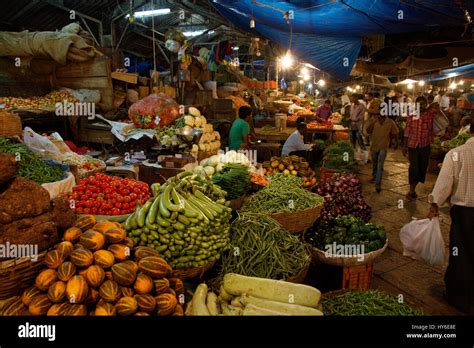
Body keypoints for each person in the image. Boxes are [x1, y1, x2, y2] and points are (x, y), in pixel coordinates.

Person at [428, 118, 474, 314]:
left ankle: (460, 298)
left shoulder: (457, 154)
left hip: (465, 214)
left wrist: (434, 205)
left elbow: (444, 183)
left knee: (460, 253)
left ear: (469, 130)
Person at [402, 96, 436, 200]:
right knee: (414, 168)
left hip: (425, 145)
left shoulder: (430, 115)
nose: (421, 106)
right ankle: (411, 190)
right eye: (419, 104)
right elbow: (407, 132)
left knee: (422, 168)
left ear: (426, 104)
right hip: (412, 145)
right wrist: (404, 146)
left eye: (423, 104)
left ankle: (413, 189)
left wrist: (433, 107)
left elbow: (442, 118)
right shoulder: (411, 116)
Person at [366, 106, 399, 193]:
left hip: (383, 147)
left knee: (380, 166)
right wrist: (373, 122)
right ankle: (374, 176)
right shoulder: (374, 120)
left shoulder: (390, 122)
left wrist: (396, 143)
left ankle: (378, 184)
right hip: (374, 146)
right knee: (375, 164)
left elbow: (395, 133)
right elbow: (368, 130)